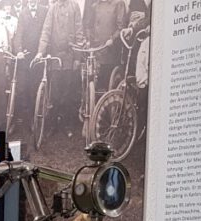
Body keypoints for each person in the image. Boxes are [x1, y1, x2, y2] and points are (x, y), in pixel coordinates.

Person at [38, 0, 83, 137]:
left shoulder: (74, 6)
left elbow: (79, 32)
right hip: (56, 58)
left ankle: (66, 124)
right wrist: (41, 51)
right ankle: (53, 124)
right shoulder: (52, 9)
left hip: (69, 56)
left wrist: (77, 57)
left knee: (68, 92)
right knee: (55, 92)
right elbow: (46, 31)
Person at [13, 0, 46, 130]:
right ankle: (24, 119)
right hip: (25, 57)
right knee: (22, 89)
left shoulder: (44, 10)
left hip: (39, 57)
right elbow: (18, 35)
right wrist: (19, 50)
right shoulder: (23, 13)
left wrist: (42, 52)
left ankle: (35, 119)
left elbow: (46, 33)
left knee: (35, 89)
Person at [83, 0, 126, 93]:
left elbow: (121, 27)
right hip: (97, 50)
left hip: (111, 52)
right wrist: (88, 40)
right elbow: (89, 26)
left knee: (108, 82)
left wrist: (113, 39)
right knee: (95, 84)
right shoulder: (96, 5)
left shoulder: (118, 4)